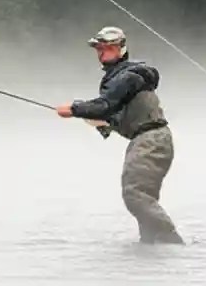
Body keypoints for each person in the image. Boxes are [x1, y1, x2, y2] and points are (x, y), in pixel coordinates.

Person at [56, 26, 184, 245]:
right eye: (98, 48)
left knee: (135, 195)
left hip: (150, 140)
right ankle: (156, 254)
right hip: (148, 140)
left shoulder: (127, 76)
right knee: (144, 200)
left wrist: (74, 109)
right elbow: (113, 111)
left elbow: (105, 105)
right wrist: (102, 121)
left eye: (107, 48)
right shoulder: (124, 77)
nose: (101, 52)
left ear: (121, 49)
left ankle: (172, 244)